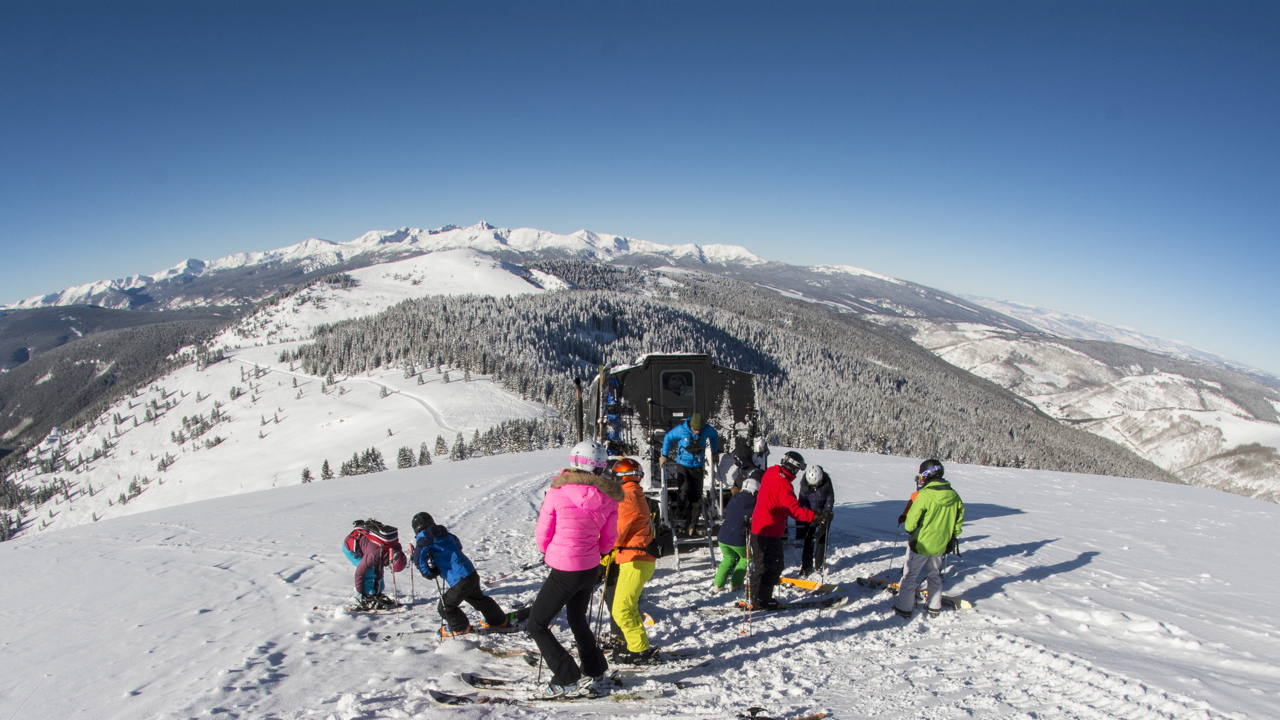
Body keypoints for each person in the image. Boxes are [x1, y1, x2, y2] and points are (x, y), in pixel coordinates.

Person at [528, 441, 623, 698]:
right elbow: (608, 540)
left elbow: (543, 532)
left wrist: (548, 551)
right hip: (589, 568)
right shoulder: (609, 498)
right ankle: (596, 668)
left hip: (564, 569)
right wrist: (597, 554)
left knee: (536, 624)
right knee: (577, 618)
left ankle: (566, 676)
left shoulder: (559, 492)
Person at [749, 451, 829, 610]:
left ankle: (756, 597)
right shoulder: (783, 485)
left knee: (761, 566)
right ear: (792, 468)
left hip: (759, 528)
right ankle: (761, 600)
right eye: (798, 469)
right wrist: (815, 516)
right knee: (772, 567)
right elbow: (794, 510)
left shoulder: (771, 472)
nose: (798, 473)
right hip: (769, 531)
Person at [410, 511, 510, 637]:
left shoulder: (424, 539)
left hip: (460, 578)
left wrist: (428, 572)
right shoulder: (445, 533)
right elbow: (458, 545)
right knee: (479, 600)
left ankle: (460, 627)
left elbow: (418, 559)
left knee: (445, 606)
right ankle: (498, 621)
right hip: (470, 572)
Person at [601, 457, 658, 664]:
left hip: (635, 558)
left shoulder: (627, 496)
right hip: (635, 558)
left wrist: (601, 547)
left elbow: (618, 532)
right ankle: (638, 647)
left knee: (622, 609)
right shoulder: (634, 493)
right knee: (628, 607)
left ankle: (638, 650)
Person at [894, 459, 964, 620]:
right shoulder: (954, 495)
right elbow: (958, 521)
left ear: (926, 474)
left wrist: (911, 530)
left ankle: (904, 607)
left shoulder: (925, 495)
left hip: (921, 543)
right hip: (941, 543)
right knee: (934, 575)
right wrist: (951, 536)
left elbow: (911, 522)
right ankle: (934, 606)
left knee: (910, 575)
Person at [660, 413, 721, 535]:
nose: (697, 432)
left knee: (697, 496)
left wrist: (714, 452)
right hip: (683, 464)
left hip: (698, 466)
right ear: (691, 426)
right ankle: (680, 509)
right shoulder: (681, 430)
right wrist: (664, 456)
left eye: (700, 430)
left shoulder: (707, 429)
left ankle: (692, 524)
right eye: (695, 429)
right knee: (684, 489)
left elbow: (714, 436)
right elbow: (668, 437)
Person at [342, 519, 407, 610]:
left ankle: (376, 594)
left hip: (369, 549)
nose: (388, 565)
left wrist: (378, 591)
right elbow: (359, 573)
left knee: (378, 568)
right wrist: (359, 594)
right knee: (369, 571)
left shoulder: (395, 548)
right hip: (350, 549)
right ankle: (367, 596)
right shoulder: (374, 554)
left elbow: (379, 568)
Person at [713, 475, 759, 592]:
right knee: (745, 558)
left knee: (728, 558)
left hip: (723, 535)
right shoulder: (754, 503)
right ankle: (735, 584)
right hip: (737, 538)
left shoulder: (735, 497)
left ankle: (718, 584)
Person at [797, 464, 835, 577]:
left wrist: (827, 512)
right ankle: (806, 568)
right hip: (811, 515)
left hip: (823, 514)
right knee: (808, 541)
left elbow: (829, 499)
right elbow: (802, 502)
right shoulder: (804, 486)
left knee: (822, 539)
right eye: (812, 485)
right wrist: (810, 514)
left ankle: (819, 565)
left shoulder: (827, 484)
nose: (815, 487)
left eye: (817, 485)